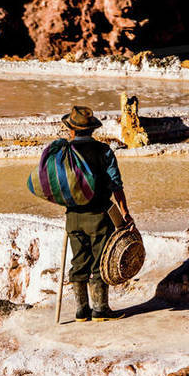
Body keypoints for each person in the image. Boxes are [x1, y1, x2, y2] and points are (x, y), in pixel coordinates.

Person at [61, 105, 133, 321]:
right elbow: (116, 185)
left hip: (73, 216)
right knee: (100, 261)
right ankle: (100, 310)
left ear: (71, 130)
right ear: (92, 129)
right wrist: (124, 212)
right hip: (99, 216)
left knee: (78, 262)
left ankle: (81, 311)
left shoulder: (64, 153)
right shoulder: (104, 151)